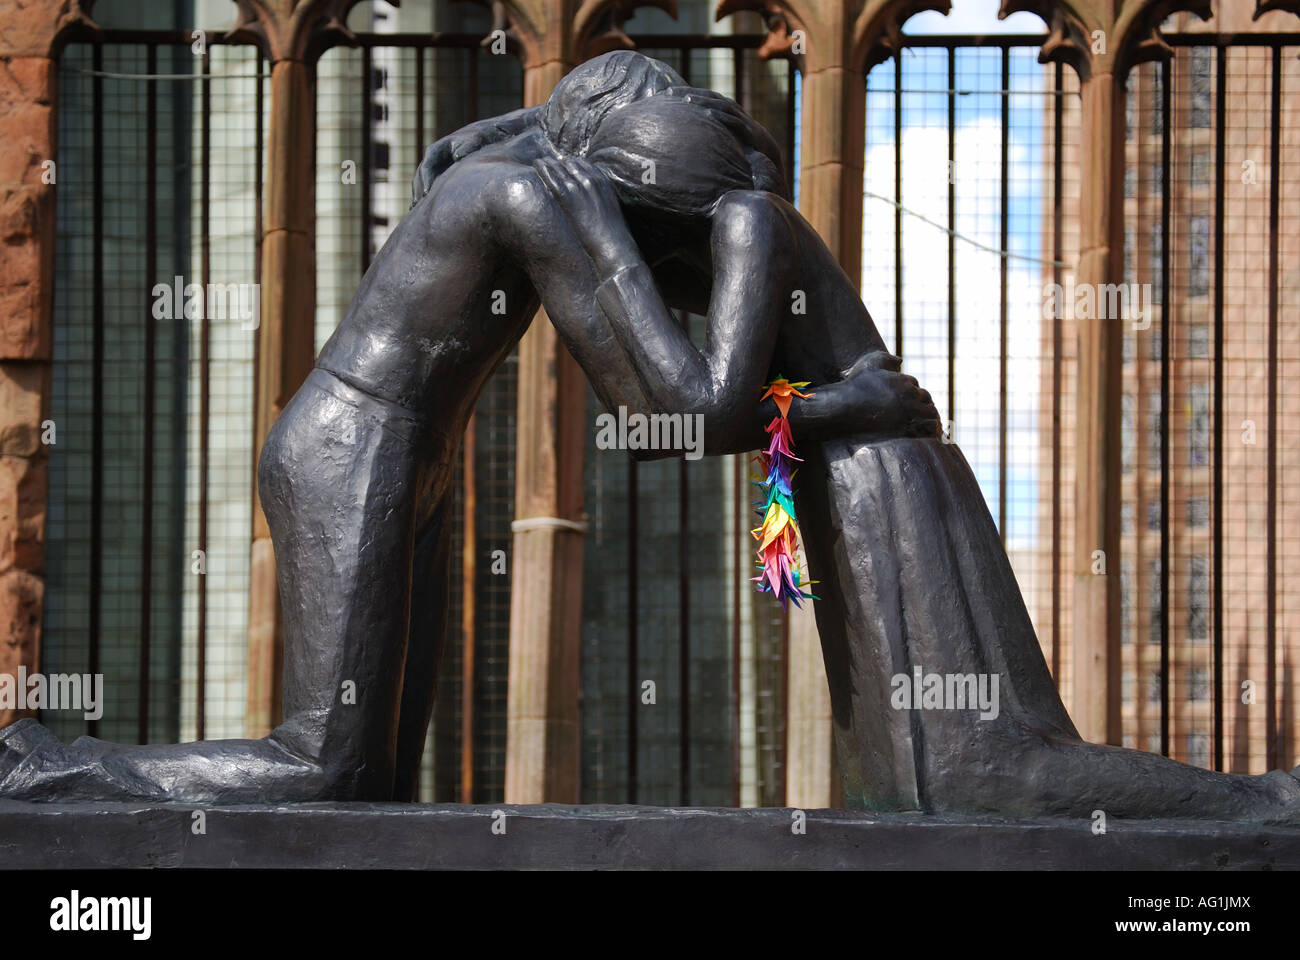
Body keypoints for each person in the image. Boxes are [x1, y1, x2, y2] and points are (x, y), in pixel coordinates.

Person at [0, 53, 933, 804]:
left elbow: (491, 141)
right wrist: (853, 399)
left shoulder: (515, 163)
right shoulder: (537, 200)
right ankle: (46, 768)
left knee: (377, 783)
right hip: (349, 449)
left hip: (402, 454)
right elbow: (668, 420)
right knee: (324, 766)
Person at [530, 85, 1300, 822]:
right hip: (862, 466)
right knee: (913, 781)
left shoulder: (747, 221)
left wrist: (601, 237)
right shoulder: (735, 226)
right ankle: (1268, 803)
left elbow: (707, 410)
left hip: (882, 479)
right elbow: (659, 428)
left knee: (972, 772)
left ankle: (1270, 804)